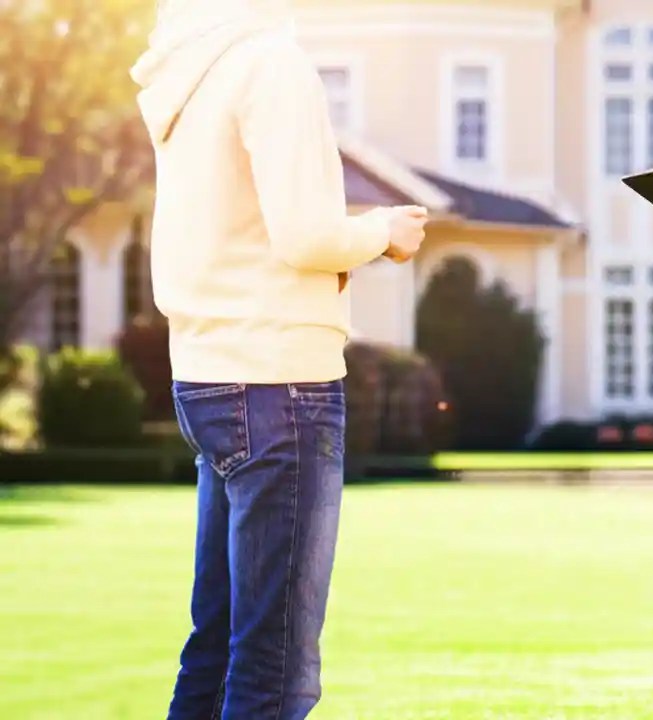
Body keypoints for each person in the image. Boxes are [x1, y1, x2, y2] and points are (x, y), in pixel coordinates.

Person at [131, 1, 428, 717]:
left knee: (217, 645)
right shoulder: (271, 62)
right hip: (280, 383)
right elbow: (305, 237)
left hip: (208, 376)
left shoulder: (189, 68)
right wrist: (383, 231)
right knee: (277, 666)